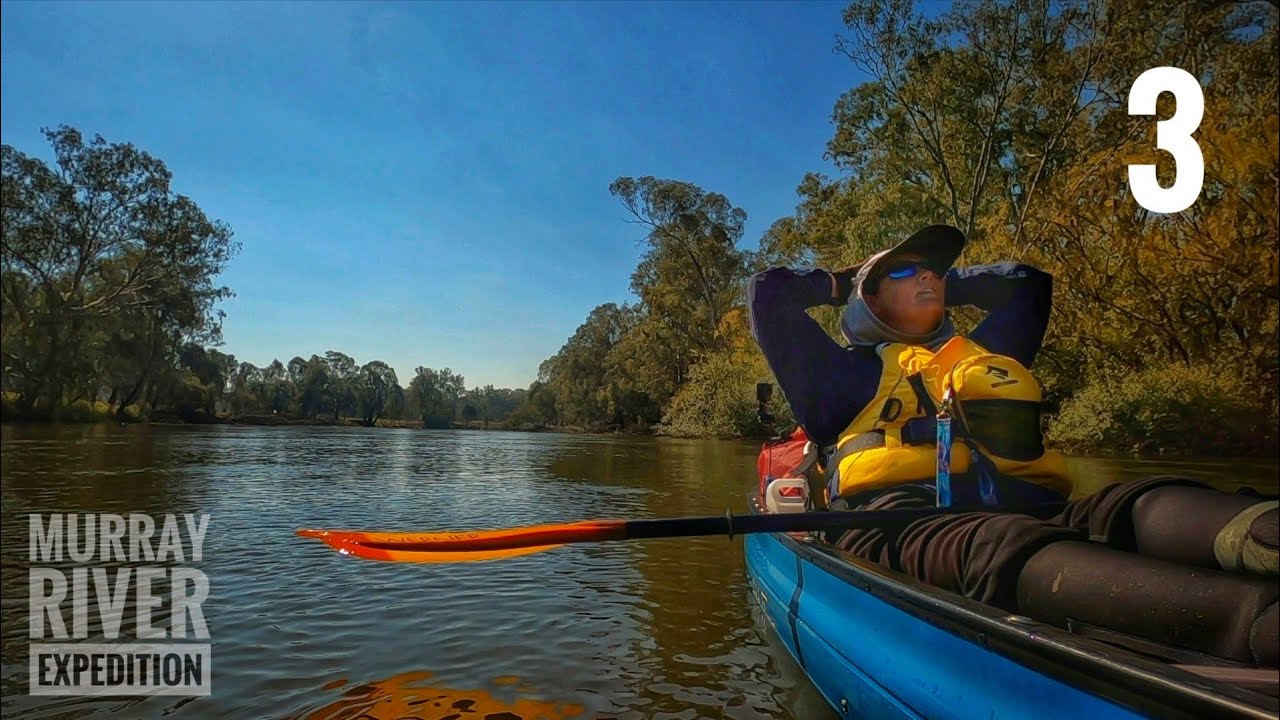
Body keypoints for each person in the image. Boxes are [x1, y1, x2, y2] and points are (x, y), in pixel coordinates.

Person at [748, 224, 1278, 667]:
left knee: (1130, 503)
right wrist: (845, 283)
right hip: (902, 521)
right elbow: (768, 293)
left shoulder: (987, 354)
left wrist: (940, 283)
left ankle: (1259, 533)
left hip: (1029, 504)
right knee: (998, 540)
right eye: (906, 271)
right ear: (870, 300)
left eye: (933, 270)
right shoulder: (840, 376)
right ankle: (1255, 622)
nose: (927, 275)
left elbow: (1027, 284)